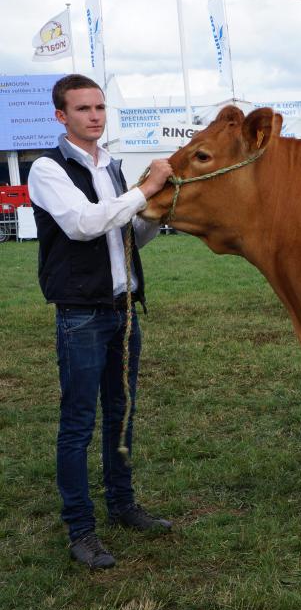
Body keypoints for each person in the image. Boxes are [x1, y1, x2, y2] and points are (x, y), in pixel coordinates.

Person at [26, 74, 175, 569]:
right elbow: (84, 224)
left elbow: (127, 236)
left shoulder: (111, 167)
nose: (95, 115)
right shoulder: (47, 169)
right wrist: (145, 189)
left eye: (100, 107)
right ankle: (81, 528)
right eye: (84, 108)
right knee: (78, 425)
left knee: (121, 413)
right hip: (82, 315)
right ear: (60, 116)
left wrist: (153, 211)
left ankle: (123, 504)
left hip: (122, 310)